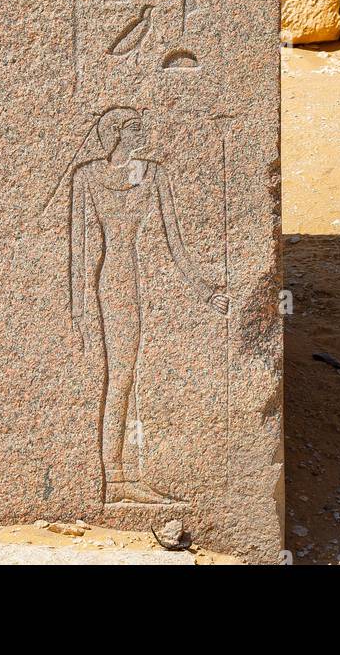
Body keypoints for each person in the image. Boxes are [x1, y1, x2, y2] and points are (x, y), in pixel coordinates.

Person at [67, 106, 227, 504]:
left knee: (126, 374)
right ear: (118, 133)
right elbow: (79, 249)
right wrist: (78, 310)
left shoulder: (153, 173)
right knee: (120, 376)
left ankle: (119, 474)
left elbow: (175, 244)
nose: (143, 134)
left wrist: (205, 289)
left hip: (131, 278)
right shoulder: (87, 176)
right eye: (135, 128)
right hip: (112, 281)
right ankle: (116, 477)